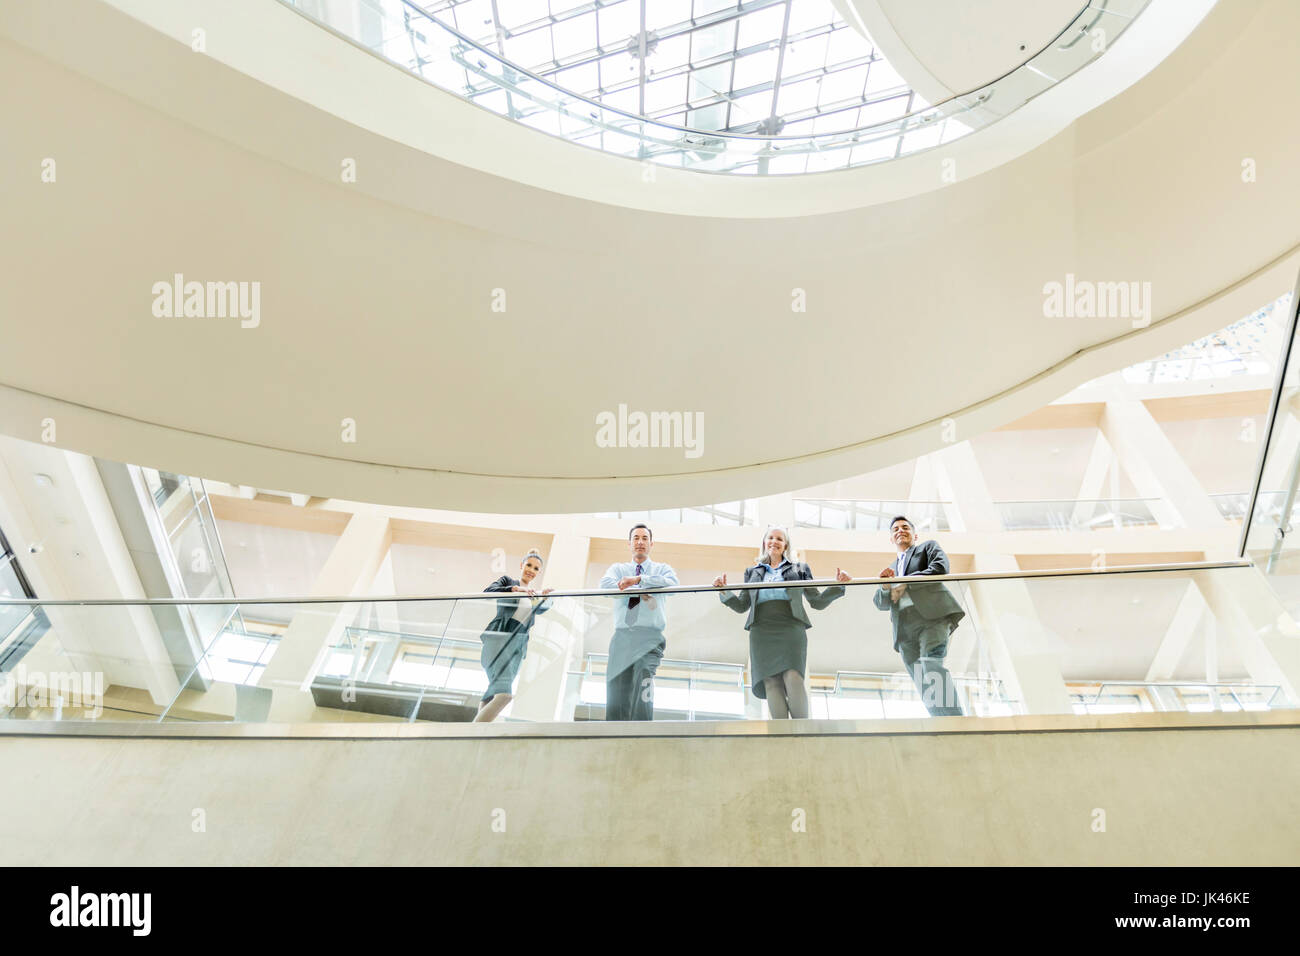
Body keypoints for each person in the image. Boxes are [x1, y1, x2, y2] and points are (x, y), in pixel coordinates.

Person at [714, 527, 850, 719]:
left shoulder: (800, 569)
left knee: (793, 676)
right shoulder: (751, 572)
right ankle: (784, 736)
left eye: (779, 539)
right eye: (770, 538)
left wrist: (838, 585)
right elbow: (742, 605)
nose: (774, 541)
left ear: (785, 545)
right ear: (764, 543)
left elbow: (817, 601)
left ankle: (803, 731)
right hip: (761, 628)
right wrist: (723, 591)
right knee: (770, 681)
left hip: (790, 625)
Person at [874, 516, 965, 716]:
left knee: (931, 666)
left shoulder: (927, 548)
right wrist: (885, 586)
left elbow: (940, 568)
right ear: (891, 539)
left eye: (905, 527)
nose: (900, 530)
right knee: (920, 679)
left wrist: (905, 582)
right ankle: (941, 721)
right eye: (895, 529)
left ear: (914, 534)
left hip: (932, 618)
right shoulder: (891, 568)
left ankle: (956, 719)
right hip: (904, 628)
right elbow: (880, 603)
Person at [598, 524, 678, 721]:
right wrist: (640, 589)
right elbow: (605, 585)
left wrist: (638, 580)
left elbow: (672, 584)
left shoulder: (662, 569)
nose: (640, 542)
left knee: (644, 676)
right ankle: (614, 736)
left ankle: (641, 732)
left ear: (651, 544)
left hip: (649, 636)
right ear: (629, 544)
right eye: (636, 538)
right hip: (622, 636)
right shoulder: (618, 569)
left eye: (644, 538)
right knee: (617, 687)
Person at [473, 550, 553, 722]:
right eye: (529, 565)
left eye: (536, 568)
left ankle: (476, 735)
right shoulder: (508, 581)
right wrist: (515, 589)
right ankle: (470, 735)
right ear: (521, 565)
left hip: (517, 646)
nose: (531, 570)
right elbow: (488, 591)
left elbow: (542, 609)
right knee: (504, 695)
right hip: (499, 637)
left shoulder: (533, 595)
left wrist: (545, 597)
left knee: (492, 693)